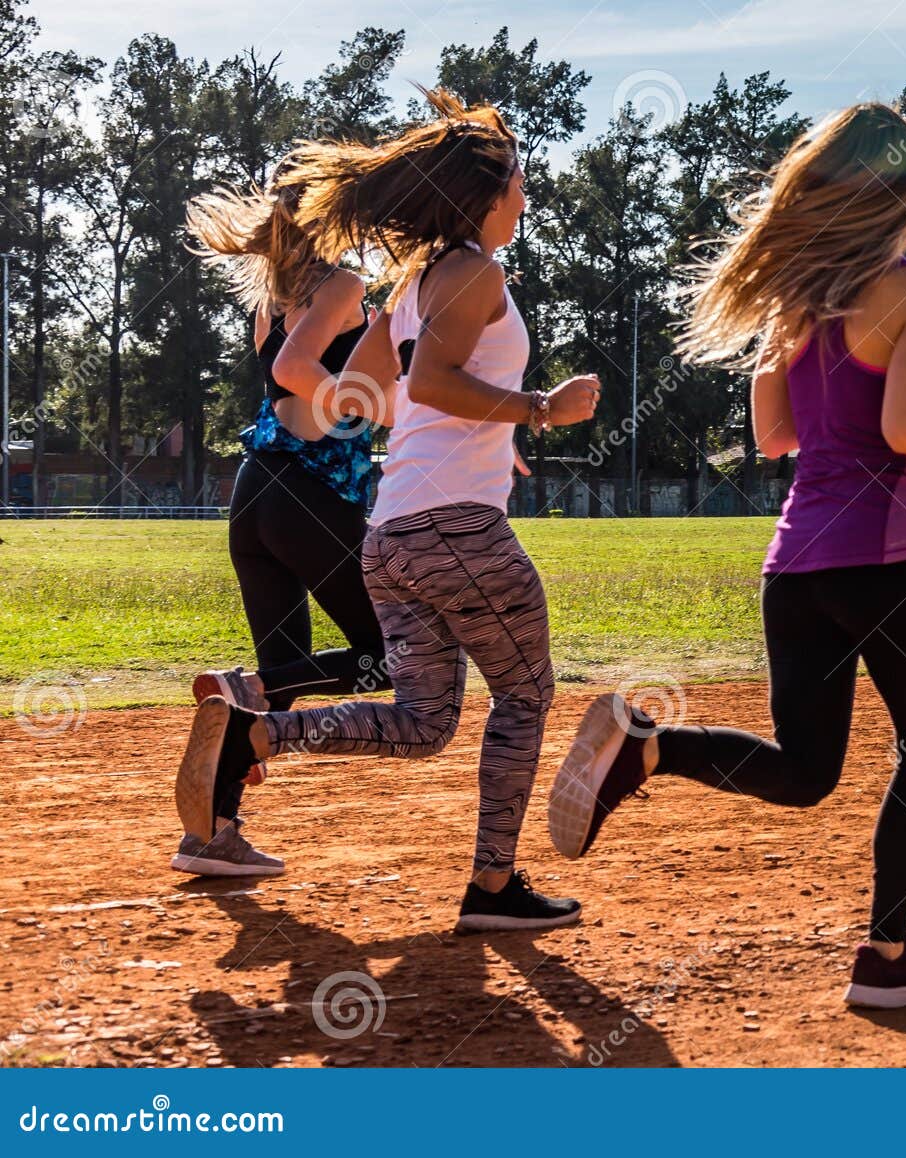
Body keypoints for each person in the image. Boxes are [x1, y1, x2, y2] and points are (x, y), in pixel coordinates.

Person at [546, 102, 906, 1006]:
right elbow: (904, 431)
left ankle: (648, 748)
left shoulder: (795, 305)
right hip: (890, 561)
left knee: (807, 771)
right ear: (900, 200)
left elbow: (773, 435)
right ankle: (886, 960)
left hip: (796, 565)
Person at [173, 91, 602, 934]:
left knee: (424, 720)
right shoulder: (476, 271)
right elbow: (431, 385)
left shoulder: (410, 285)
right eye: (518, 178)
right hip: (459, 529)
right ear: (483, 193)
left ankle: (255, 736)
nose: (525, 194)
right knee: (526, 695)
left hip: (393, 534)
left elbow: (374, 398)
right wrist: (538, 408)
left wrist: (476, 426)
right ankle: (492, 885)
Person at [181, 172, 395, 874]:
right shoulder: (339, 287)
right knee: (385, 657)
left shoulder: (271, 303)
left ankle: (211, 835)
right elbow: (297, 372)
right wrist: (381, 409)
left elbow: (283, 373)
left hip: (254, 497)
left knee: (285, 673)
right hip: (309, 499)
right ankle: (249, 696)